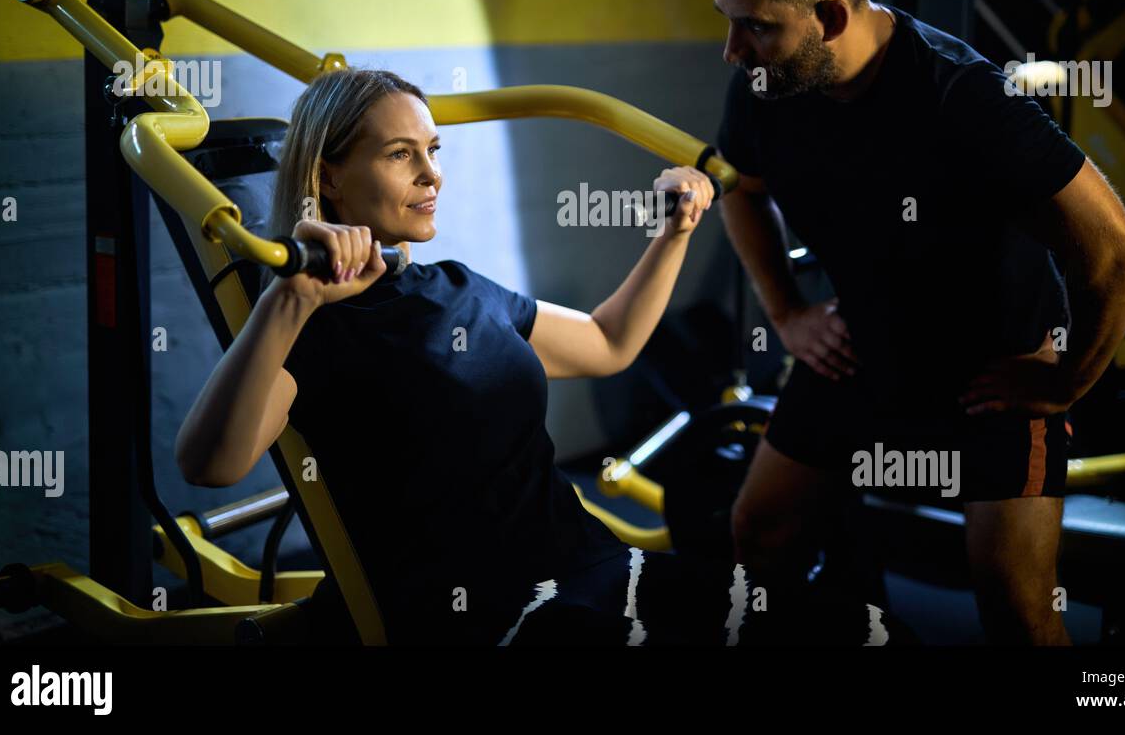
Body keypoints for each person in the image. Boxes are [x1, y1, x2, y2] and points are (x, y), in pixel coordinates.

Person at [175, 67, 904, 646]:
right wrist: (289, 301)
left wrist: (674, 233)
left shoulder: (459, 288)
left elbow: (608, 343)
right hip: (494, 615)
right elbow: (211, 463)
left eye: (433, 151)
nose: (431, 175)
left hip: (596, 566)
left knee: (867, 633)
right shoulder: (311, 324)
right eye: (401, 155)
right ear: (330, 175)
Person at [712, 0, 1125, 645]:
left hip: (992, 374)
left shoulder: (964, 96)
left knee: (1016, 607)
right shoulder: (765, 84)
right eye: (729, 20)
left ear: (831, 17)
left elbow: (1119, 249)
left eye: (755, 26)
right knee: (759, 531)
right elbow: (740, 191)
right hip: (860, 347)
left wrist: (1067, 381)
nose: (732, 49)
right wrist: (787, 313)